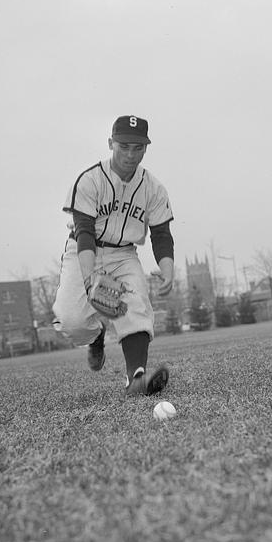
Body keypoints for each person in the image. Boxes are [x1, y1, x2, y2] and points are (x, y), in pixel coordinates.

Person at [53, 115, 175, 396]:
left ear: (146, 148)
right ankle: (96, 336)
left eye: (138, 147)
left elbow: (161, 235)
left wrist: (167, 269)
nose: (130, 154)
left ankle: (137, 378)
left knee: (136, 306)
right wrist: (89, 277)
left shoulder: (153, 188)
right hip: (85, 250)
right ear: (111, 143)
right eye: (123, 146)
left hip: (123, 255)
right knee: (72, 321)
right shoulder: (90, 180)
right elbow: (84, 231)